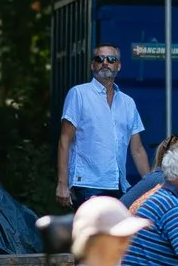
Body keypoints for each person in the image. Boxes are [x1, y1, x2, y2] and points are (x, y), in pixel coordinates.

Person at [57, 40, 150, 207]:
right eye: (100, 59)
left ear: (118, 66)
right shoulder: (79, 94)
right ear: (93, 65)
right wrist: (62, 184)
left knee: (115, 233)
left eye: (111, 59)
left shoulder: (128, 103)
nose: (105, 63)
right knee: (93, 233)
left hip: (118, 185)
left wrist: (151, 187)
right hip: (88, 184)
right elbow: (65, 140)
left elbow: (137, 150)